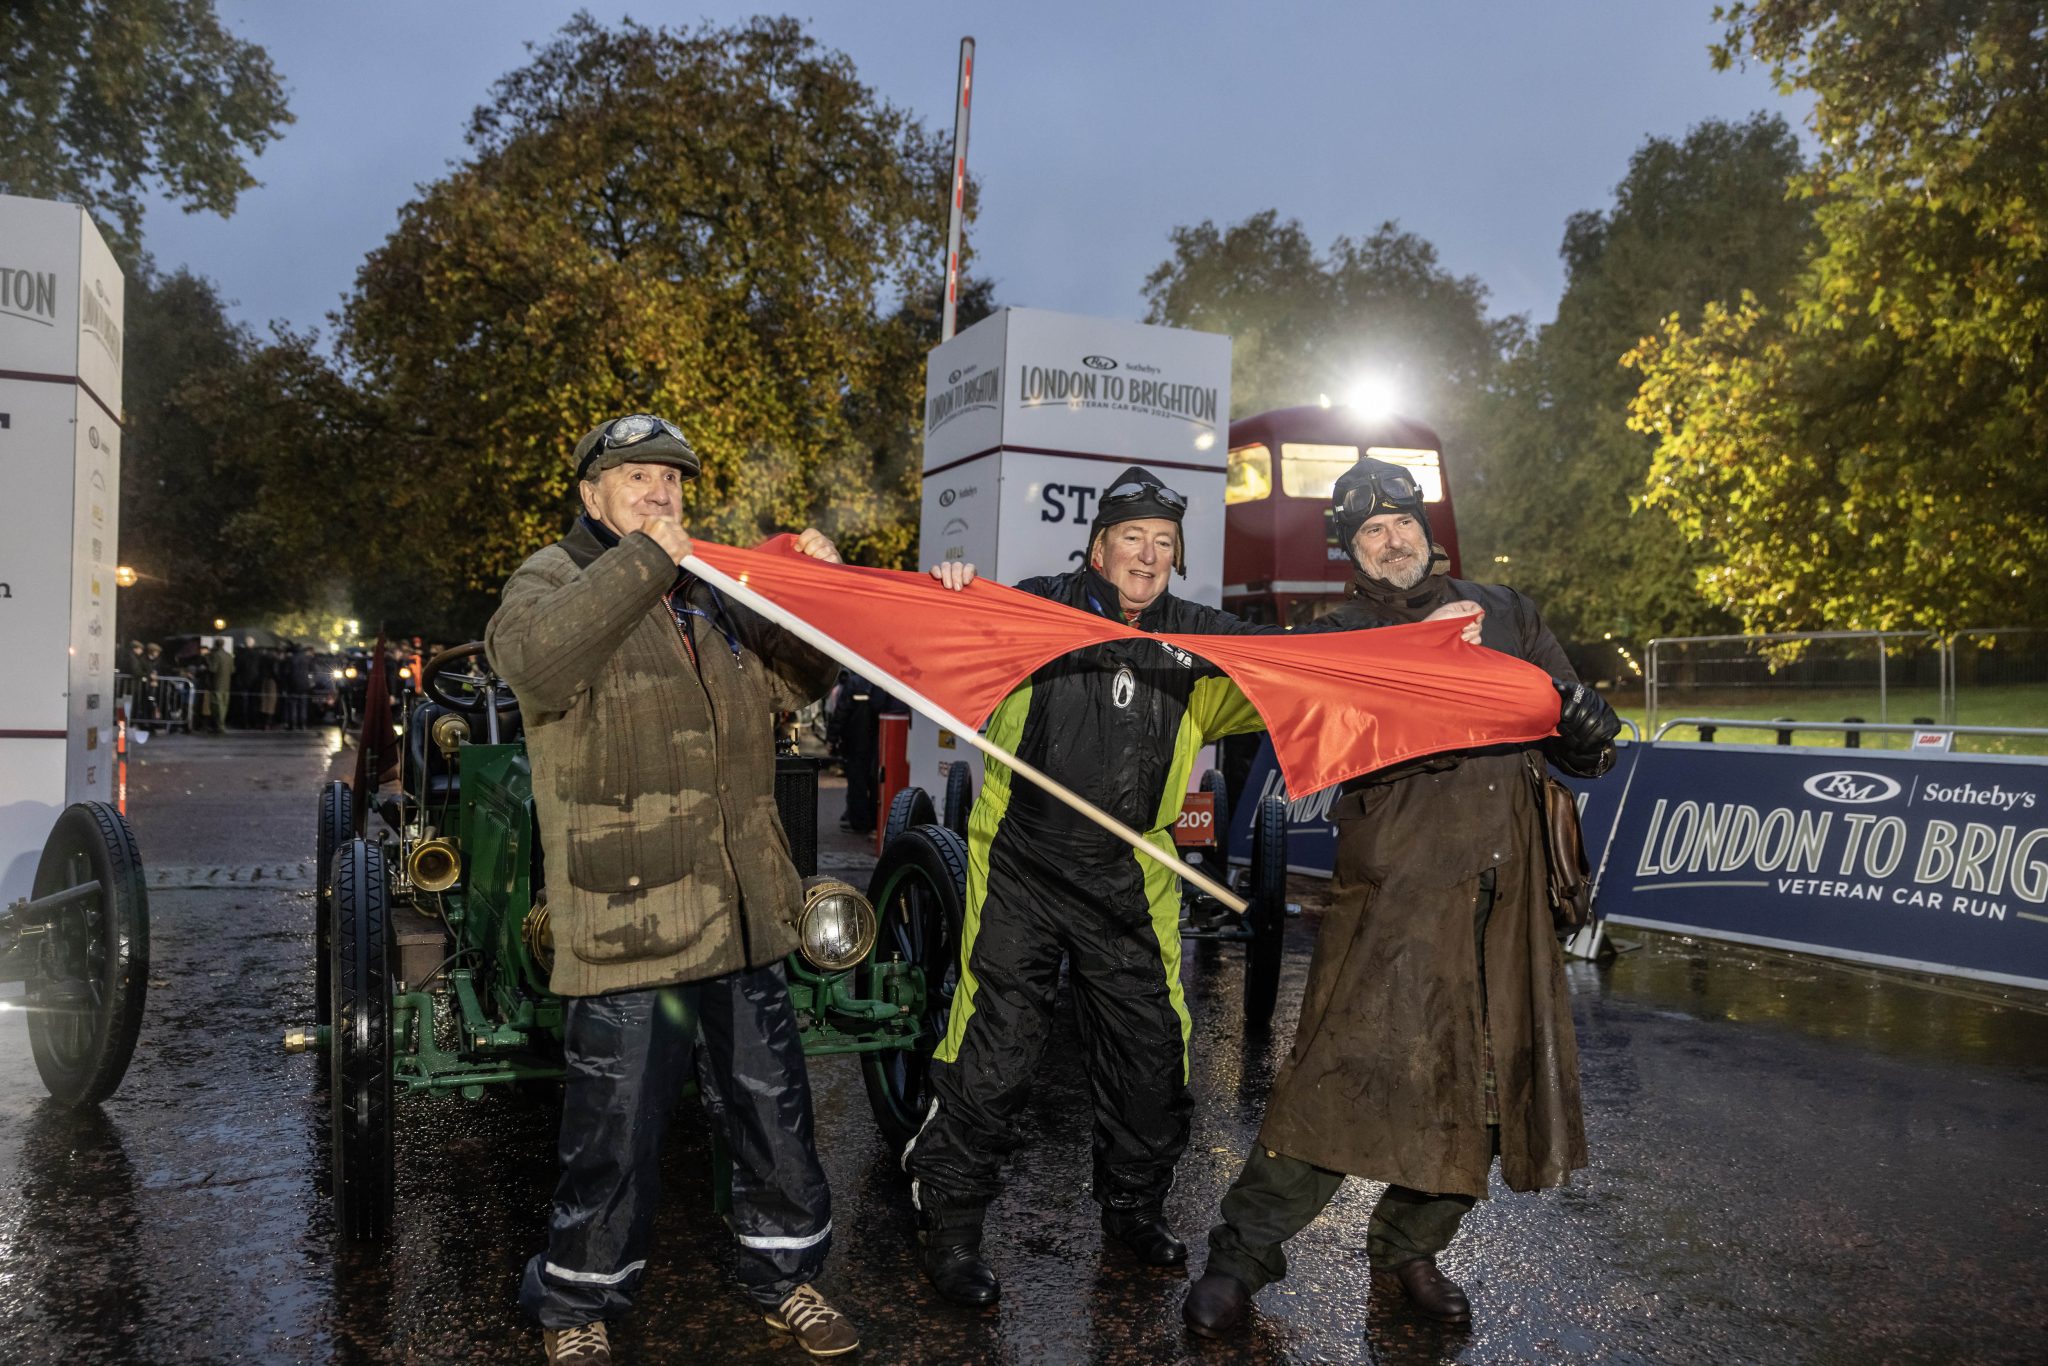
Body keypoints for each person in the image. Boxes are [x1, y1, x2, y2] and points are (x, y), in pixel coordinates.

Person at [903, 467, 1478, 1308]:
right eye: (1131, 537)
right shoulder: (1033, 610)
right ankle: (949, 1232)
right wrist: (949, 592)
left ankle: (1131, 1212)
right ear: (1098, 546)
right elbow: (931, 633)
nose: (1148, 553)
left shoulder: (1200, 641)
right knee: (993, 1058)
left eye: (1164, 543)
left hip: (1134, 878)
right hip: (1021, 870)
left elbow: (1309, 664)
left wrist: (1426, 641)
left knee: (1151, 1064)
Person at [1183, 456, 1621, 1337]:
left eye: (1403, 523)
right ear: (1352, 550)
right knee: (1336, 1080)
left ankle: (1408, 1248)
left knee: (1485, 1093)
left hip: (1508, 896)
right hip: (1396, 892)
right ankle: (1240, 1259)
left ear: (1428, 529)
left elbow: (1579, 741)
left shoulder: (1506, 612)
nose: (1393, 541)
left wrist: (1587, 724)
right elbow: (1327, 734)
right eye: (1370, 532)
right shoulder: (1342, 636)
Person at [484, 412, 859, 1365]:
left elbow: (796, 683)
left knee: (773, 1114)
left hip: (740, 909)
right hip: (628, 915)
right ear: (591, 495)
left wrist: (817, 588)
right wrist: (650, 562)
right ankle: (576, 1304)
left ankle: (787, 1278)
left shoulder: (709, 591)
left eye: (674, 480)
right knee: (612, 1130)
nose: (662, 493)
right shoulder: (554, 579)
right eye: (639, 476)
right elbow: (532, 662)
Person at [206, 640, 233, 733]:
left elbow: (213, 669)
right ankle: (221, 723)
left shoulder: (215, 655)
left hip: (217, 683)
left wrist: (207, 661)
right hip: (227, 684)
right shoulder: (229, 656)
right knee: (224, 705)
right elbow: (232, 670)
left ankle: (219, 724)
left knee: (216, 705)